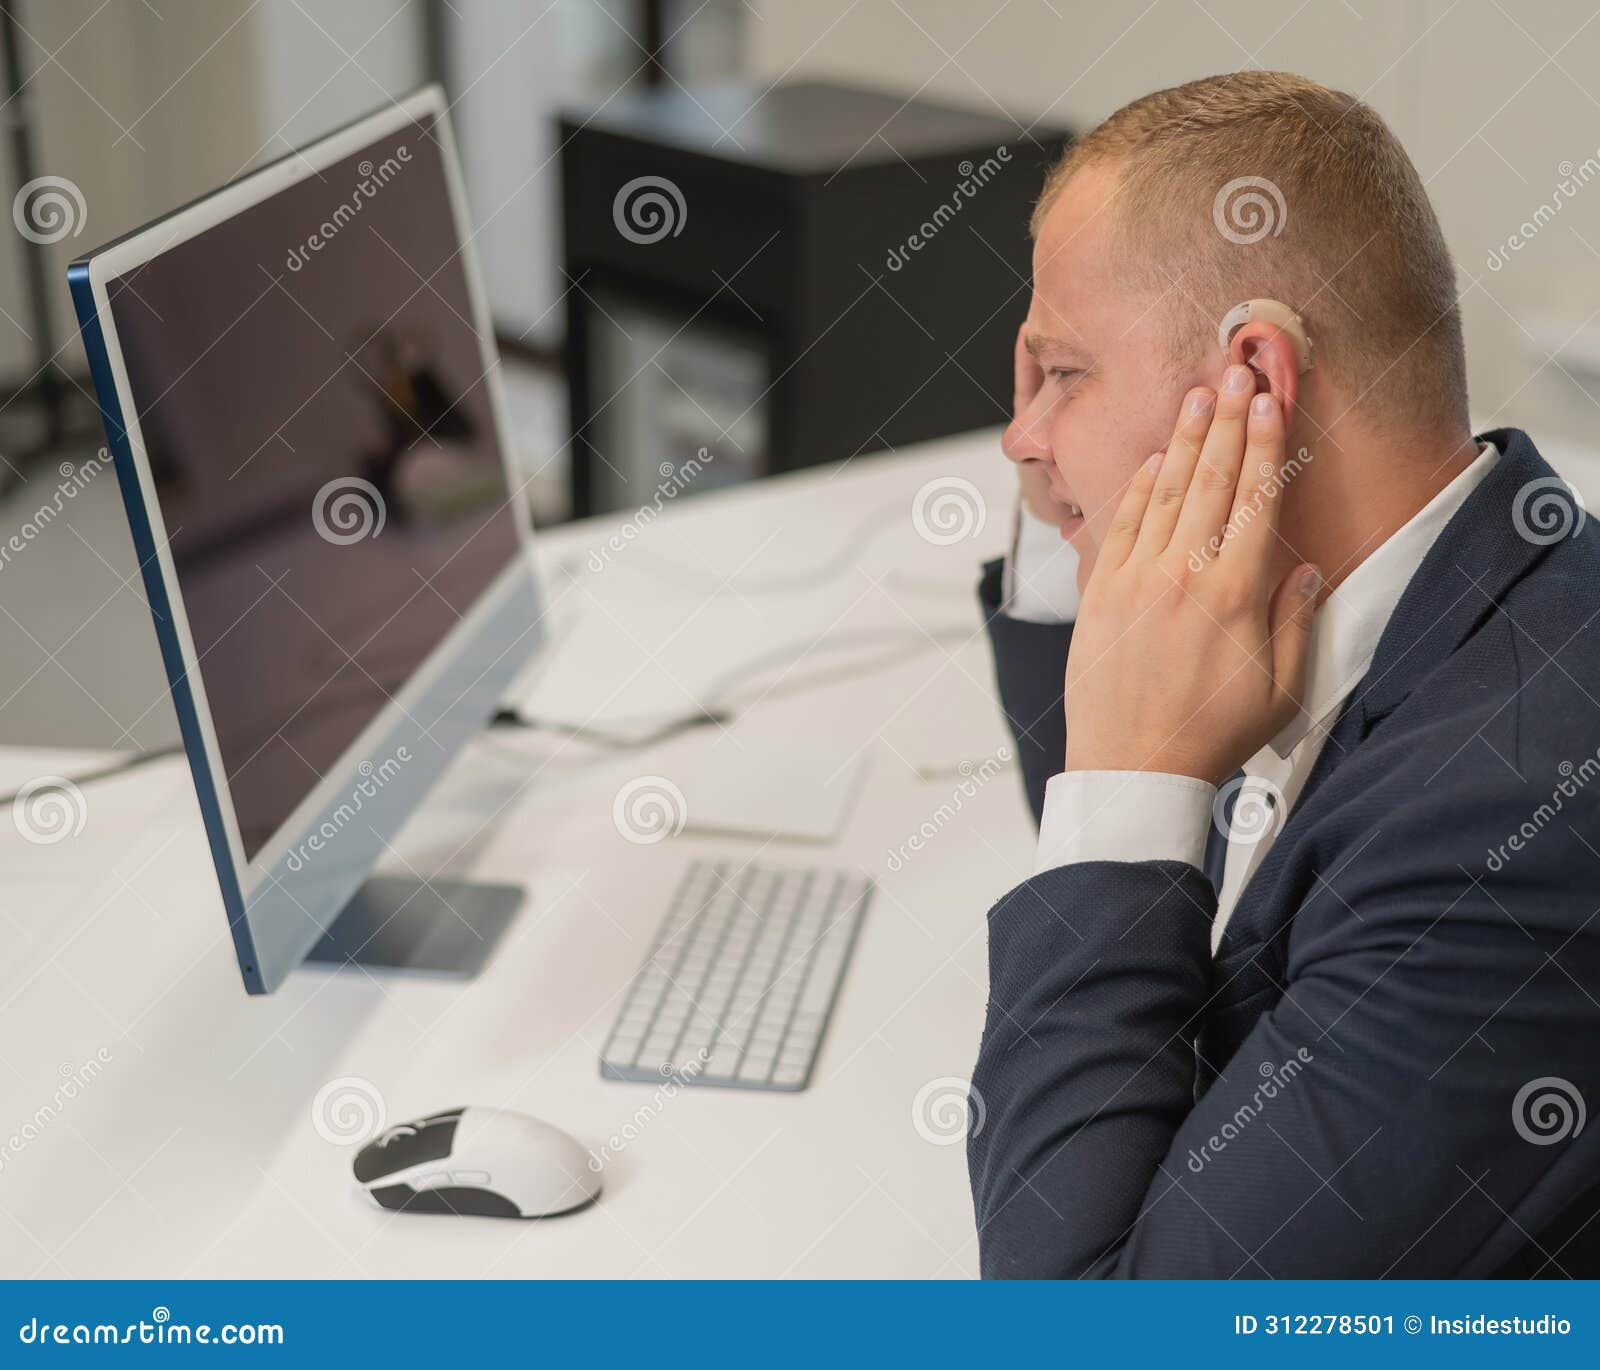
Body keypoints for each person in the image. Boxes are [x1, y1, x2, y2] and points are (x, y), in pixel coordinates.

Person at [969, 70, 1600, 1278]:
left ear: (1251, 378)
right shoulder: (1457, 587)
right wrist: (1069, 495)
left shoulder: (1508, 819)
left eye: (1059, 372)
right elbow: (1128, 907)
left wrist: (1127, 777)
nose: (1018, 433)